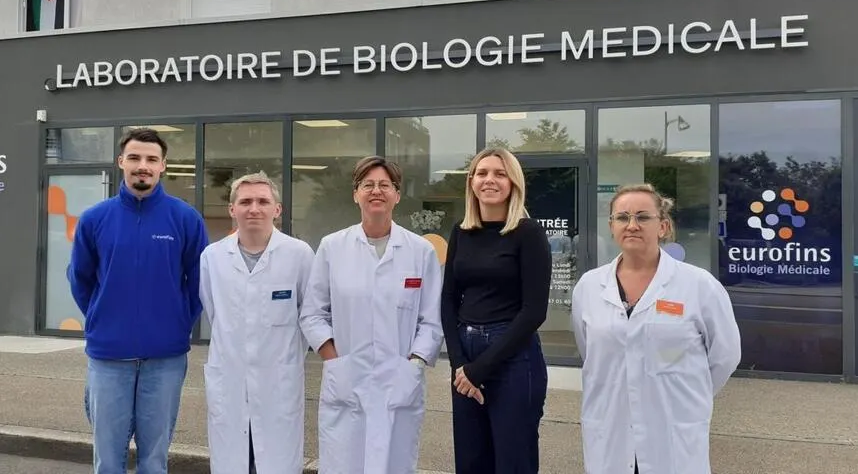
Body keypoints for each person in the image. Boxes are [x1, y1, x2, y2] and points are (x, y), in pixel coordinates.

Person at [570, 183, 742, 474]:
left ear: (663, 226)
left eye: (643, 217)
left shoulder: (699, 285)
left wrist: (686, 395)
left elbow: (725, 356)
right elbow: (591, 352)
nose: (632, 225)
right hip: (610, 425)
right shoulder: (589, 286)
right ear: (612, 226)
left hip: (672, 428)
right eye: (622, 217)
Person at [67, 127, 209, 474]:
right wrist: (104, 318)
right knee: (108, 460)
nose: (142, 165)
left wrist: (176, 323)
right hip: (108, 359)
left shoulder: (184, 218)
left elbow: (199, 283)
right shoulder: (95, 219)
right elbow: (80, 279)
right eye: (134, 158)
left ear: (163, 166)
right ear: (121, 162)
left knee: (154, 460)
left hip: (165, 359)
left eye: (151, 159)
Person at [299, 155, 445, 474]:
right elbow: (312, 313)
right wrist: (334, 359)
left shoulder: (420, 251)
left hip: (400, 380)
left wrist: (415, 364)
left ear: (396, 194)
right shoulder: (332, 247)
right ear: (356, 194)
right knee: (343, 462)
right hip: (347, 376)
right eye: (368, 184)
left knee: (395, 462)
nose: (376, 191)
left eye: (384, 185)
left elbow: (432, 321)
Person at [439, 147, 553, 473]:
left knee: (512, 461)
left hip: (513, 357)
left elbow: (534, 312)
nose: (490, 180)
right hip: (466, 356)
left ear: (513, 183)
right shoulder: (461, 232)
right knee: (471, 461)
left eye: (500, 173)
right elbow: (448, 300)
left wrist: (479, 370)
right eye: (483, 173)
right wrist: (461, 365)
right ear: (472, 182)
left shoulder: (528, 233)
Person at [199, 172, 315, 474]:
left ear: (277, 210)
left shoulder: (299, 255)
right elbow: (214, 312)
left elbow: (309, 315)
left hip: (279, 380)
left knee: (276, 461)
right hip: (230, 378)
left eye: (263, 201)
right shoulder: (212, 257)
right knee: (231, 461)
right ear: (232, 209)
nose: (254, 208)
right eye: (245, 201)